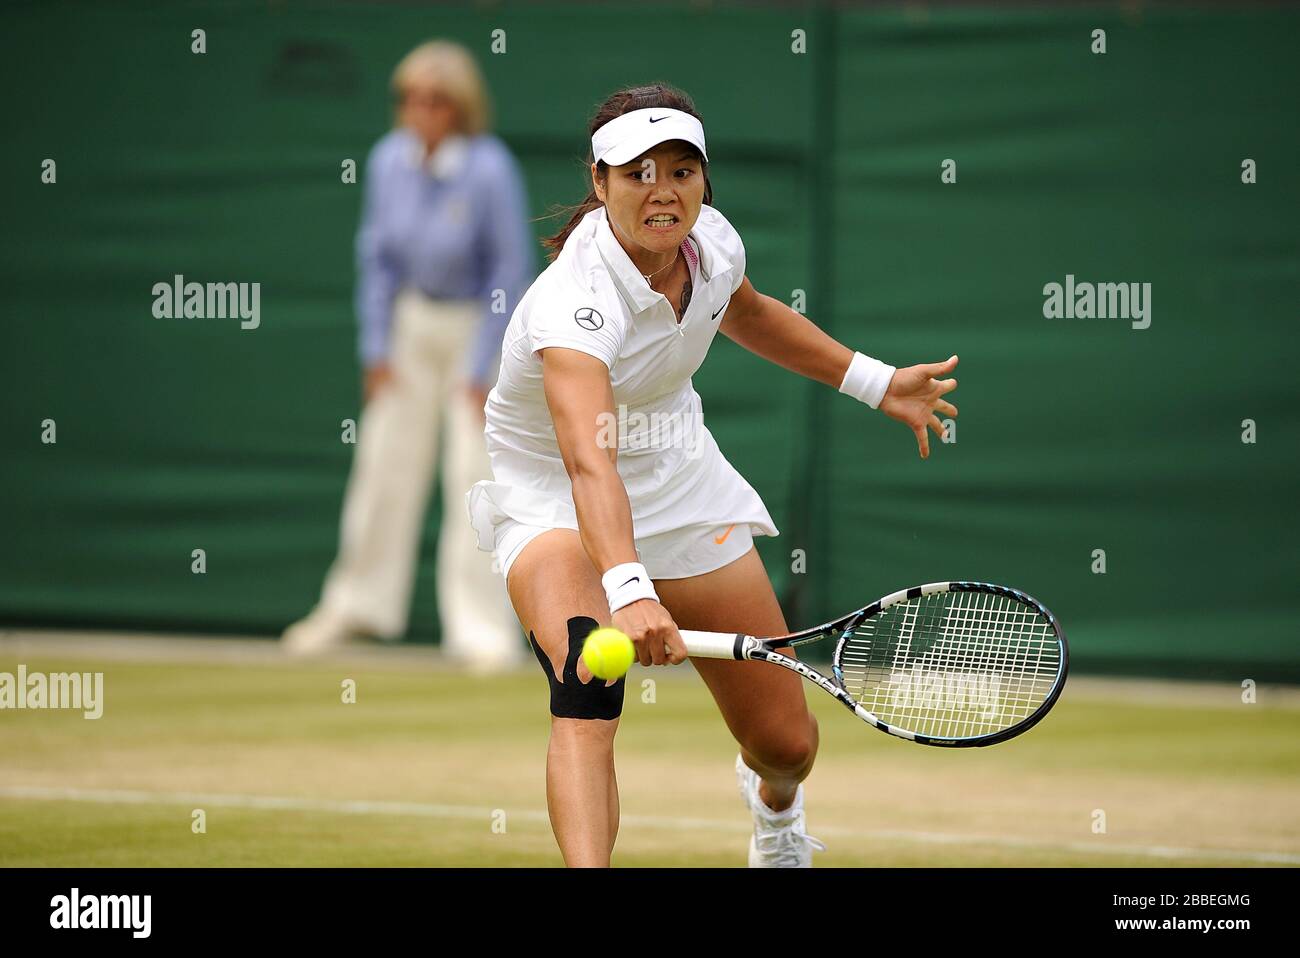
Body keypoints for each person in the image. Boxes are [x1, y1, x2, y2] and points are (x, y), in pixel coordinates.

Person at [465, 83, 959, 866]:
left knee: (787, 745)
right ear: (599, 184)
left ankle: (776, 818)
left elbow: (751, 313)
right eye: (637, 173)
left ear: (704, 180)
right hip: (558, 501)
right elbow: (588, 458)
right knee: (588, 685)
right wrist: (629, 589)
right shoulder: (572, 305)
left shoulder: (715, 244)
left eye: (681, 171)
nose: (662, 191)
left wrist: (876, 381)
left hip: (681, 485)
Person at [284, 41, 534, 671]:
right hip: (409, 327)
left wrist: (481, 367)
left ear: (460, 108)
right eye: (408, 98)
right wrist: (376, 348)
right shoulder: (388, 160)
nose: (419, 110)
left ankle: (480, 629)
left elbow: (510, 269)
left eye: (435, 99)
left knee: (473, 476)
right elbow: (377, 259)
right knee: (381, 467)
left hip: (477, 327)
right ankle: (357, 606)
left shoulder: (489, 168)